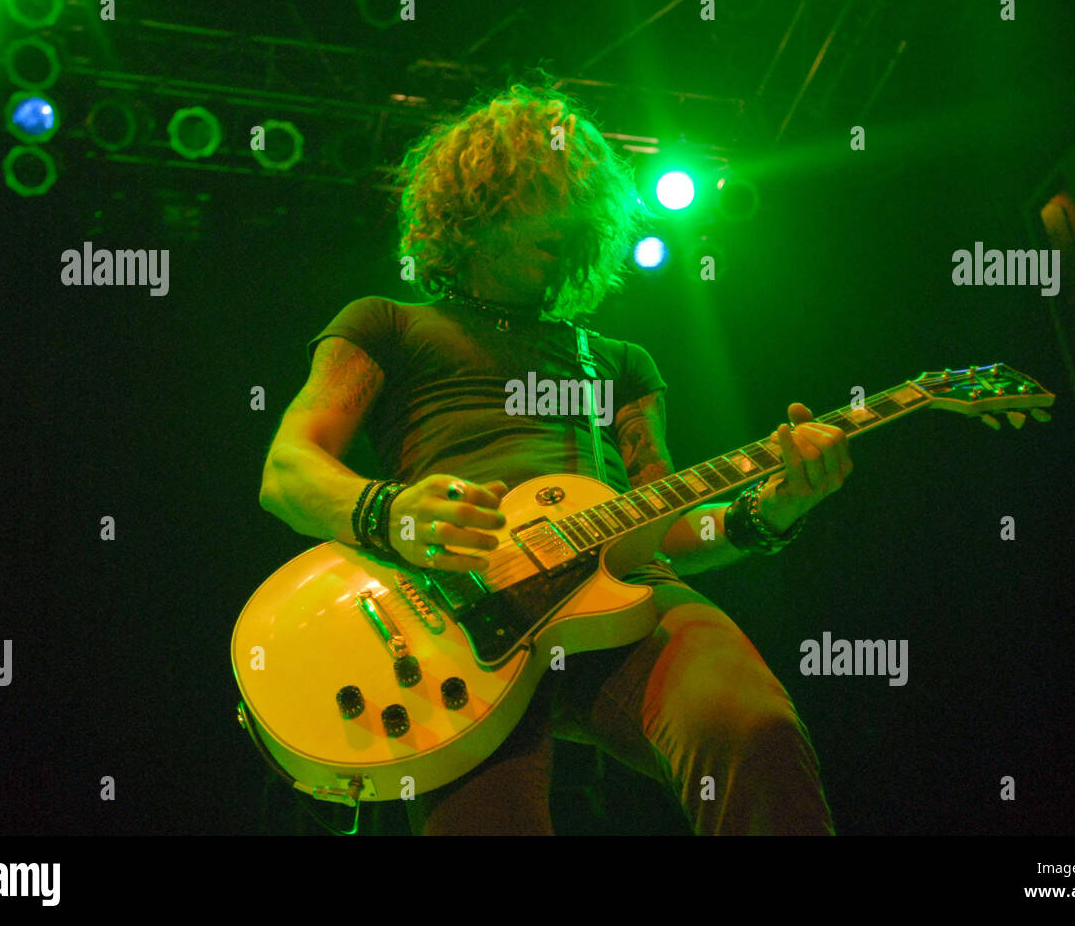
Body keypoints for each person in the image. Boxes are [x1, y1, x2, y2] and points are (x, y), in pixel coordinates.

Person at [258, 81, 852, 835]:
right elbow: (288, 469)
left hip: (624, 598)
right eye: (541, 195)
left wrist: (770, 510)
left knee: (754, 732)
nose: (566, 221)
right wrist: (394, 512)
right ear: (475, 205)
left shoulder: (621, 362)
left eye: (579, 204)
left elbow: (665, 523)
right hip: (454, 616)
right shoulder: (386, 324)